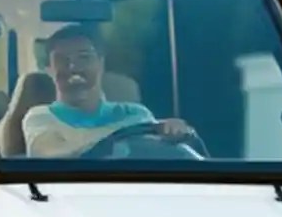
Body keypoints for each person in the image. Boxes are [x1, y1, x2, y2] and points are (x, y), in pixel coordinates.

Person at [21, 24, 195, 158]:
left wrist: (171, 131)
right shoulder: (40, 118)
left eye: (84, 57)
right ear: (49, 69)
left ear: (100, 63)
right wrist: (119, 141)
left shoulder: (135, 115)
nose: (73, 66)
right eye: (62, 59)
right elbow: (51, 155)